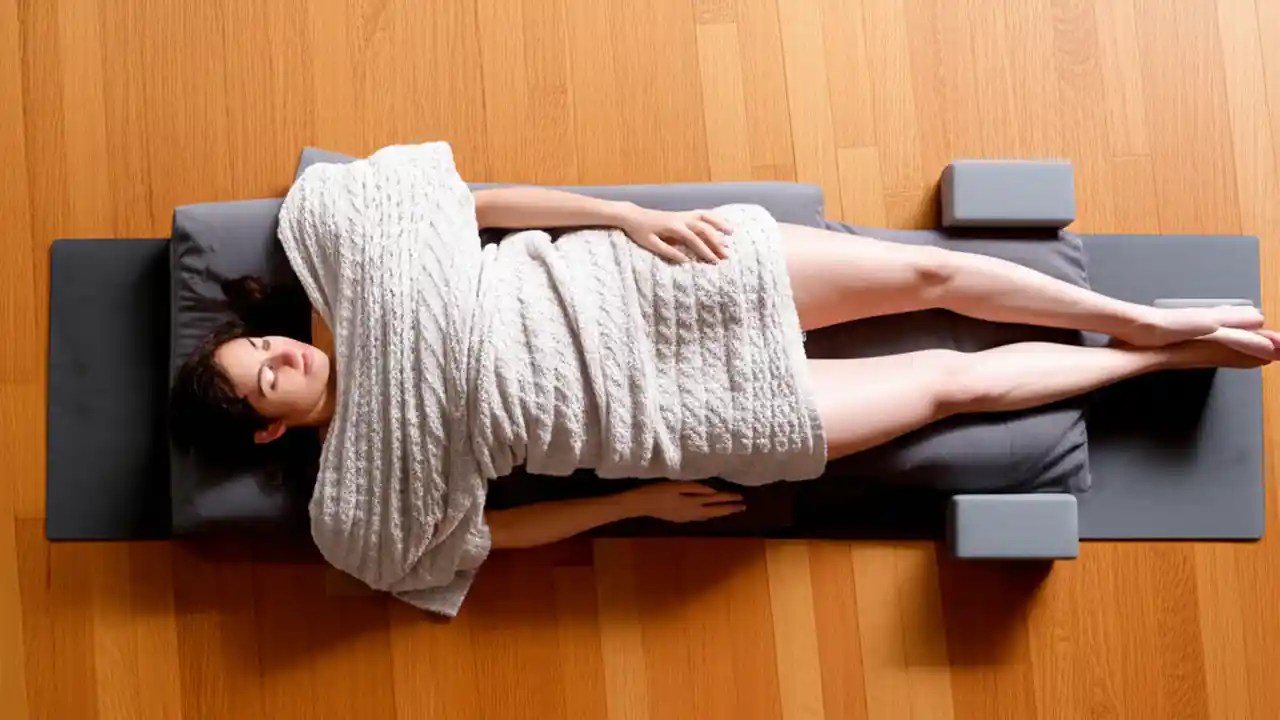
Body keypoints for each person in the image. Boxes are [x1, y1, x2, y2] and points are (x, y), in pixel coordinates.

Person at [170, 143, 1276, 613]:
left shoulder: (350, 264)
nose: (280, 356)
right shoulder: (355, 498)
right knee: (950, 384)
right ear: (274, 432)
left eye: (259, 345)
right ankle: (1162, 357)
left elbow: (478, 205)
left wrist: (625, 215)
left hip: (654, 285)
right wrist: (638, 507)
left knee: (925, 272)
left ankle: (1138, 317)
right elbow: (483, 543)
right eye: (266, 382)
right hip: (671, 416)